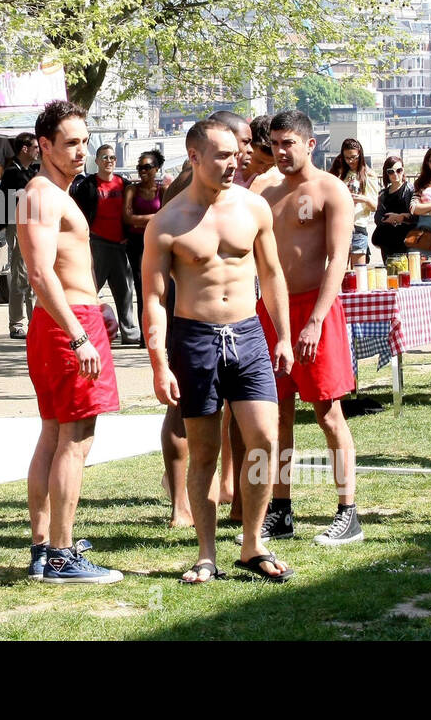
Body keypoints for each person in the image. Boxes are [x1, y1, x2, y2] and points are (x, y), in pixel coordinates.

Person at [143, 119, 294, 583]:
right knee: (204, 451)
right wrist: (159, 363)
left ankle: (252, 543)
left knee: (265, 439)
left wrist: (283, 336)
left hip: (248, 334)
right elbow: (153, 299)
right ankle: (206, 553)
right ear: (194, 157)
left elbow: (271, 275)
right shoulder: (166, 224)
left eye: (236, 155)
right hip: (196, 338)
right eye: (221, 156)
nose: (234, 163)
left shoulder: (254, 208)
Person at [18, 101, 123, 584]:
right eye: (71, 143)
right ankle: (60, 553)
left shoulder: (54, 192)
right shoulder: (41, 193)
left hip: (69, 321)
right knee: (75, 441)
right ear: (45, 146)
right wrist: (80, 334)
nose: (81, 151)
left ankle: (46, 546)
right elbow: (39, 272)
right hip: (67, 326)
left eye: (84, 140)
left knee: (55, 435)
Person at [258, 110, 362, 545]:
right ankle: (279, 509)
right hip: (270, 312)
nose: (281, 152)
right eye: (275, 143)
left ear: (310, 144)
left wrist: (316, 320)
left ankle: (348, 511)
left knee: (328, 413)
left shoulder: (330, 190)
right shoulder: (263, 190)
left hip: (317, 311)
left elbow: (338, 258)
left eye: (289, 143)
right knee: (274, 416)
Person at [71, 144, 139, 345]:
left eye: (111, 158)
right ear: (97, 161)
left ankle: (129, 332)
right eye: (104, 158)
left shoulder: (125, 185)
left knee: (125, 292)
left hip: (120, 246)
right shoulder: (87, 185)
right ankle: (85, 330)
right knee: (89, 290)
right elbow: (78, 212)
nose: (109, 161)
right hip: (97, 245)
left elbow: (132, 212)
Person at [0, 132, 39, 339]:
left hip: (34, 227)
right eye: (35, 147)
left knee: (33, 276)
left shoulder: (31, 171)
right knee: (20, 275)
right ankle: (17, 324)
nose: (38, 151)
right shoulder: (12, 173)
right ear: (24, 148)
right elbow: (7, 203)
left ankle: (35, 322)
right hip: (19, 227)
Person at [124, 149, 164, 347]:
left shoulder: (163, 189)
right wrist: (155, 219)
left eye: (147, 167)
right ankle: (144, 335)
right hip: (136, 244)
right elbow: (127, 218)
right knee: (141, 288)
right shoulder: (132, 189)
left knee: (161, 288)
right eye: (140, 167)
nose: (143, 171)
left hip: (158, 243)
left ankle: (162, 332)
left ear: (157, 168)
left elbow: (168, 216)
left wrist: (141, 221)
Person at [329, 138, 378, 267]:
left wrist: (361, 198)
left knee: (358, 274)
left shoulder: (369, 174)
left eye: (354, 157)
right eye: (347, 158)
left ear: (360, 155)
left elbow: (374, 206)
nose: (351, 161)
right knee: (339, 270)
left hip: (358, 227)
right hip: (340, 226)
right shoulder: (340, 173)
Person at [372, 155, 415, 259]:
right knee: (390, 273)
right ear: (386, 174)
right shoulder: (383, 194)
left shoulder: (410, 190)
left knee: (407, 272)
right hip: (387, 241)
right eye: (391, 171)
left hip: (406, 240)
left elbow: (416, 215)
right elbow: (377, 218)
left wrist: (399, 217)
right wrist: (388, 219)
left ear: (403, 171)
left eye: (399, 170)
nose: (395, 174)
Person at [235, 115, 275, 190]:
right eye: (259, 162)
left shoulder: (274, 180)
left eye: (271, 164)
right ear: (247, 145)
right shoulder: (229, 170)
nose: (263, 170)